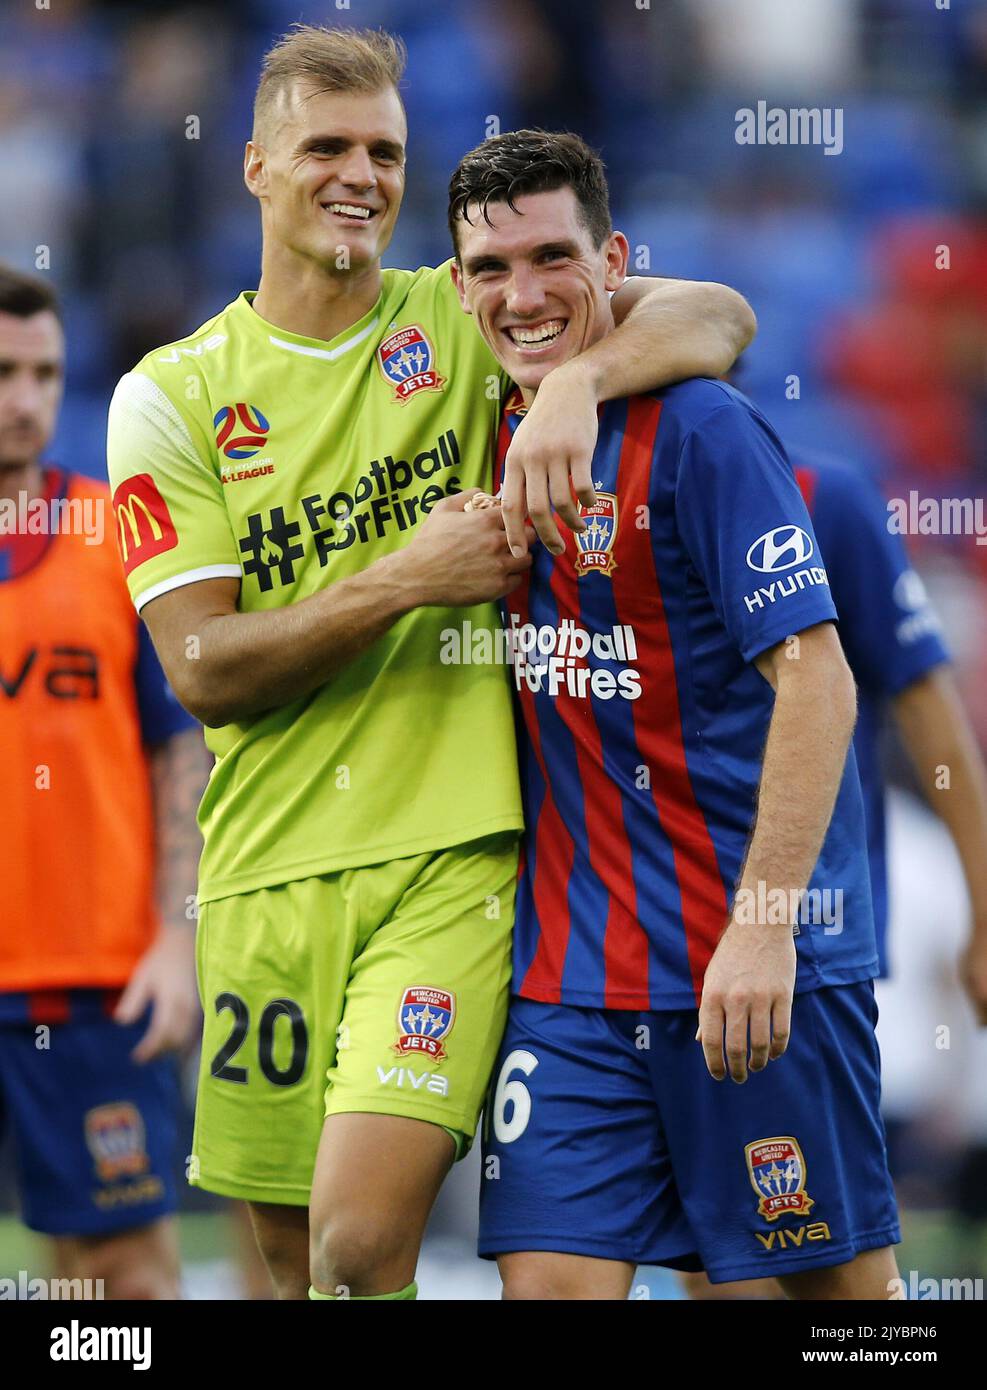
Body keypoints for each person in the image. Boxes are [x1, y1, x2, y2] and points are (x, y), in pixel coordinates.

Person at [105, 25, 756, 1302]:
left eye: (386, 151)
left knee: (357, 1237)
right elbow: (203, 670)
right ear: (254, 167)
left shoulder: (456, 316)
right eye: (327, 146)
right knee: (300, 1273)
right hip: (262, 881)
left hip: (451, 863)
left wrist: (578, 386)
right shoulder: (169, 397)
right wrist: (409, 575)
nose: (362, 173)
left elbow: (720, 314)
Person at [448, 128, 899, 1299]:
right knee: (547, 1285)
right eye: (491, 270)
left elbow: (823, 680)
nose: (525, 295)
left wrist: (762, 928)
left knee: (838, 1306)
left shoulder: (703, 434)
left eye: (554, 258)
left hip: (744, 961)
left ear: (616, 264)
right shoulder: (459, 417)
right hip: (571, 979)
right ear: (456, 287)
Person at [0, 265, 206, 1299]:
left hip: (92, 979)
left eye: (44, 373)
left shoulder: (113, 541)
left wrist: (177, 936)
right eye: (3, 372)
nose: (26, 397)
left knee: (117, 1274)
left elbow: (180, 748)